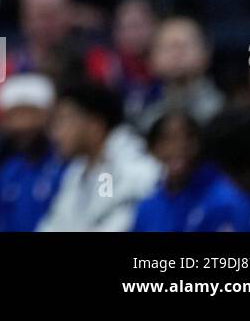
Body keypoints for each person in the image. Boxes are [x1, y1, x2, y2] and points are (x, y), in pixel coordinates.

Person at [38, 82, 161, 231]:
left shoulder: (135, 167)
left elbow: (119, 221)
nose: (55, 133)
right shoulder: (78, 171)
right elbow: (56, 224)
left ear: (95, 125)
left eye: (63, 120)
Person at [133, 112, 248, 230]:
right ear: (153, 149)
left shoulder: (225, 195)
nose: (179, 146)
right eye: (167, 139)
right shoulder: (147, 208)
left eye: (188, 137)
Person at [0, 74, 65, 232]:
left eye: (30, 115)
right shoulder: (8, 172)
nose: (22, 126)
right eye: (14, 117)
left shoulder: (64, 167)